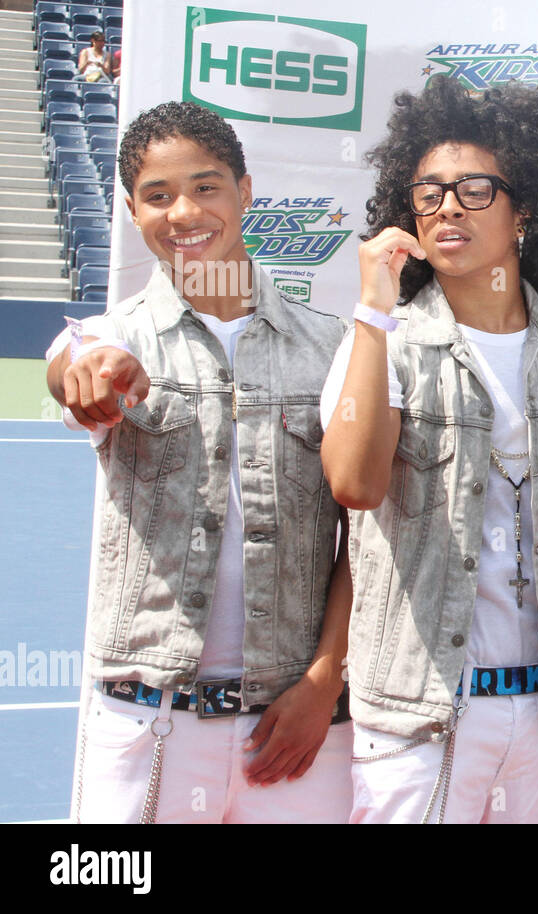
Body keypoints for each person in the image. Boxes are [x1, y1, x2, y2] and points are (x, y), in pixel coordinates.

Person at [319, 75, 538, 824]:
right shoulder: (380, 343)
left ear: (525, 210)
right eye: (428, 193)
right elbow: (355, 488)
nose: (447, 206)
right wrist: (374, 309)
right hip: (417, 712)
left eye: (474, 188)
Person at [45, 101, 353, 823]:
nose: (184, 212)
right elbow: (70, 366)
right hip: (143, 724)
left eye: (206, 187)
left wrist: (322, 683)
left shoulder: (334, 347)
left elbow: (367, 544)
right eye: (158, 196)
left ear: (245, 192)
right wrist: (84, 371)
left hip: (293, 726)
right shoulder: (109, 336)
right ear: (130, 210)